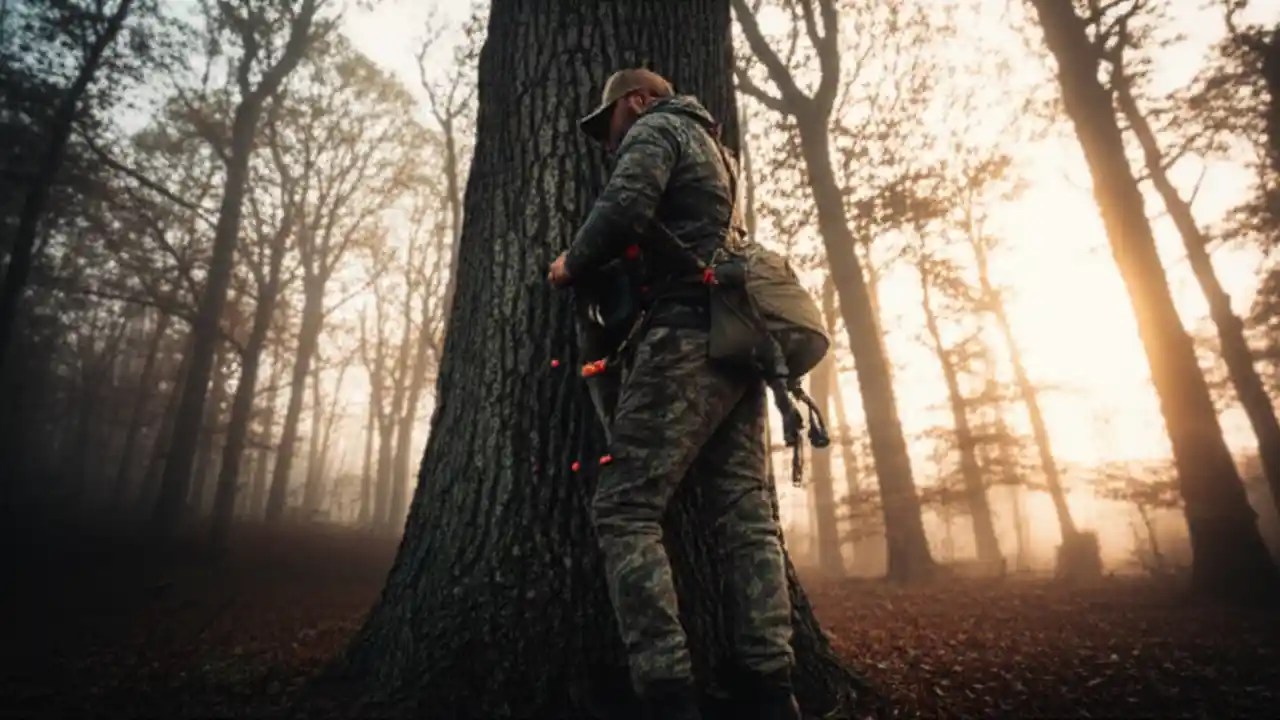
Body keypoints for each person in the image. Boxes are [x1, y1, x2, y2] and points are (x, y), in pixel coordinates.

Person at [547, 68, 802, 720]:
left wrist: (571, 264)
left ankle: (667, 692)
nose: (610, 143)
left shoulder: (659, 128)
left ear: (637, 101)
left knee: (624, 507)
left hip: (688, 334)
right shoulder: (722, 154)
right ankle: (771, 688)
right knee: (745, 516)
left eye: (611, 126)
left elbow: (626, 206)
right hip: (739, 342)